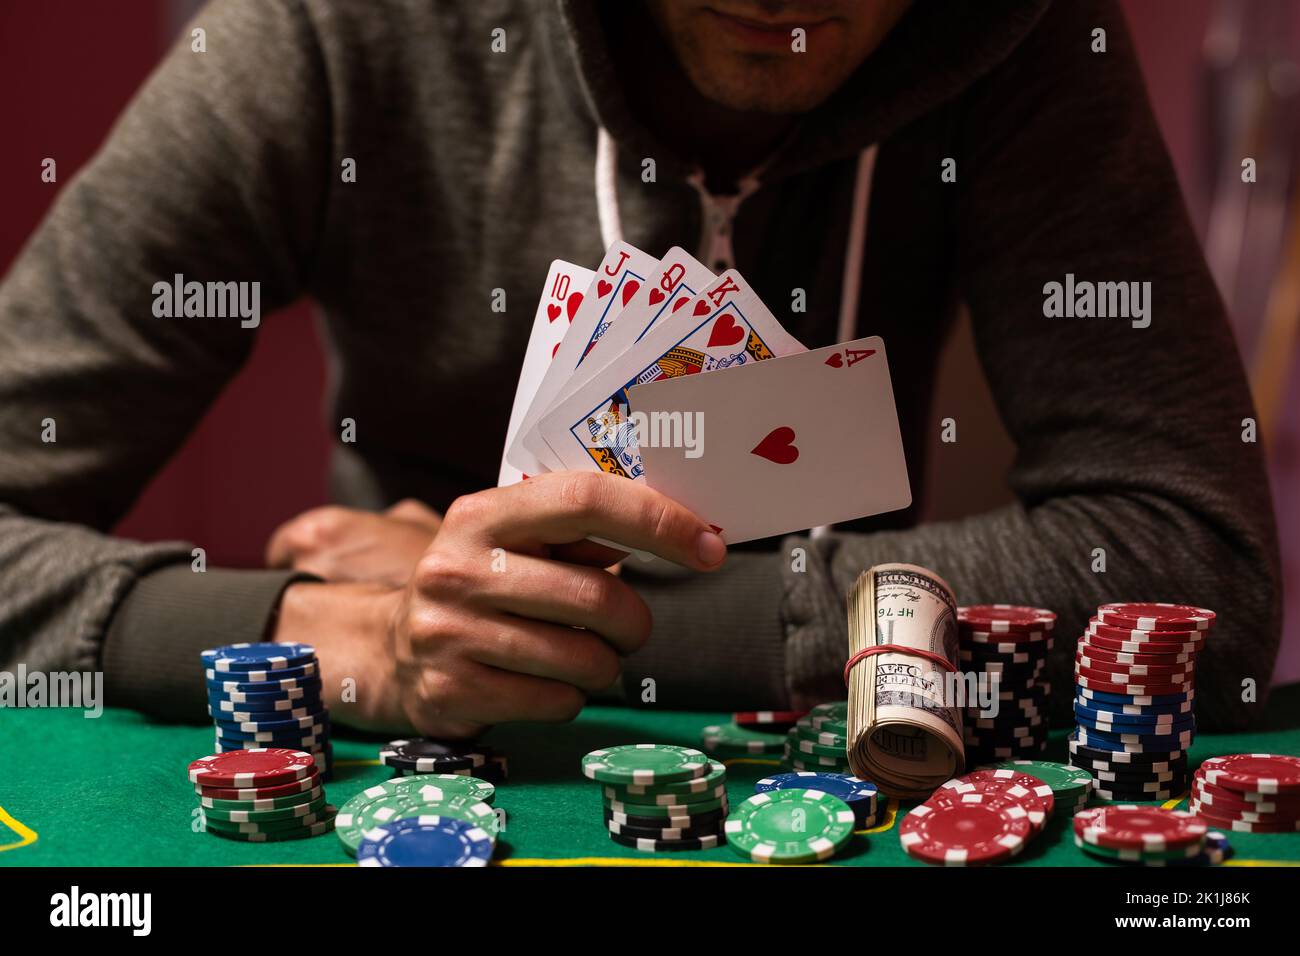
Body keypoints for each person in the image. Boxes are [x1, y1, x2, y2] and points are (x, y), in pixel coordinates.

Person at [0, 0, 1281, 737]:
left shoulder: (1023, 32)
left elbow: (1194, 568)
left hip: (851, 749)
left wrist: (506, 618)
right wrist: (310, 627)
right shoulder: (326, 27)